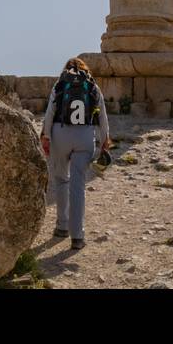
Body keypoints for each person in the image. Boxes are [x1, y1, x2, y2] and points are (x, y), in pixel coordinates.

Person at [40, 57, 110, 250]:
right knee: (78, 185)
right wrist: (104, 140)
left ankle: (62, 226)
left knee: (62, 180)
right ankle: (77, 236)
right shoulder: (92, 85)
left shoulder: (60, 84)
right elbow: (102, 116)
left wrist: (46, 135)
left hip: (60, 133)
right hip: (85, 136)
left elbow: (50, 111)